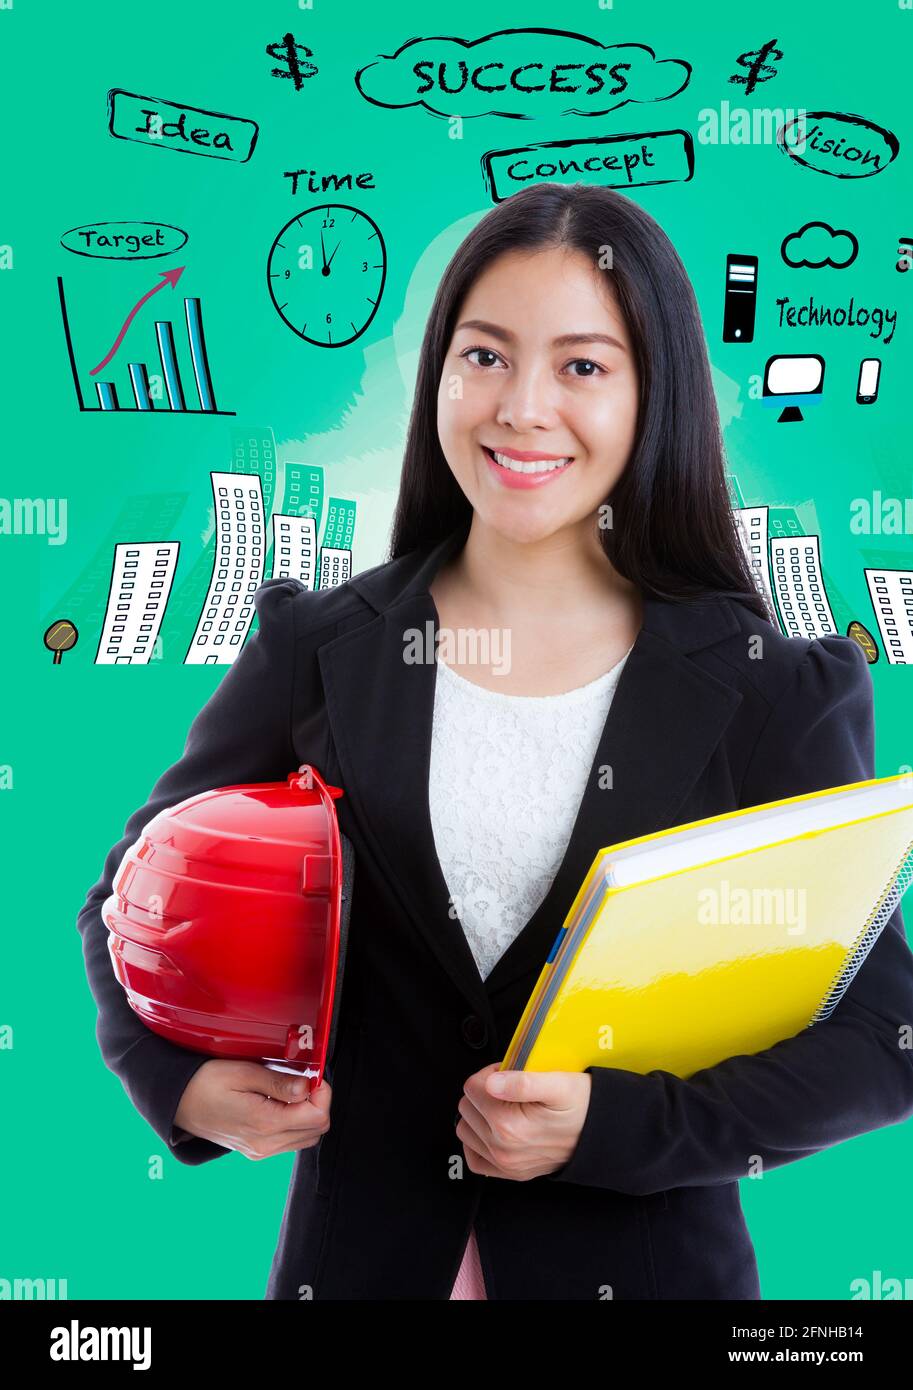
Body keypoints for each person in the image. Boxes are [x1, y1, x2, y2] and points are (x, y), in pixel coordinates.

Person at [77, 182, 913, 1300]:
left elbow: (879, 1031)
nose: (520, 407)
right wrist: (177, 1078)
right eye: (484, 355)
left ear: (651, 392)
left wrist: (619, 1124)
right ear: (438, 373)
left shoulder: (769, 690)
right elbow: (133, 894)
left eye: (580, 365)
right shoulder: (315, 646)